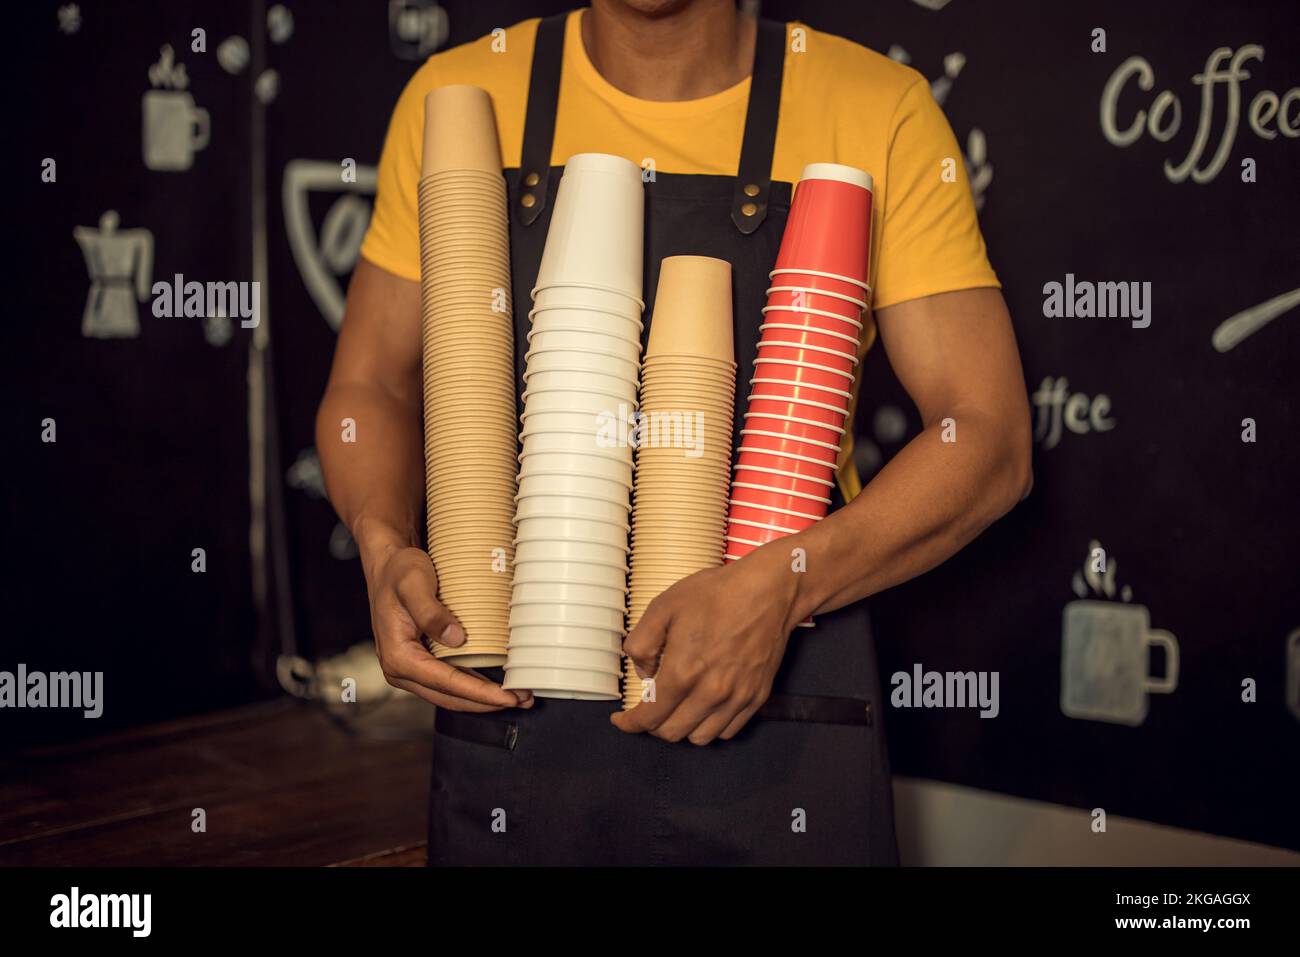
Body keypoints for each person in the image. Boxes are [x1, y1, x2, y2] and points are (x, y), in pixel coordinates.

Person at [317, 0, 1030, 866]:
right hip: (513, 722)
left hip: (781, 718)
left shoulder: (876, 105)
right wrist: (384, 540)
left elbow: (986, 437)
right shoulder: (462, 91)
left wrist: (786, 584)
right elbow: (371, 385)